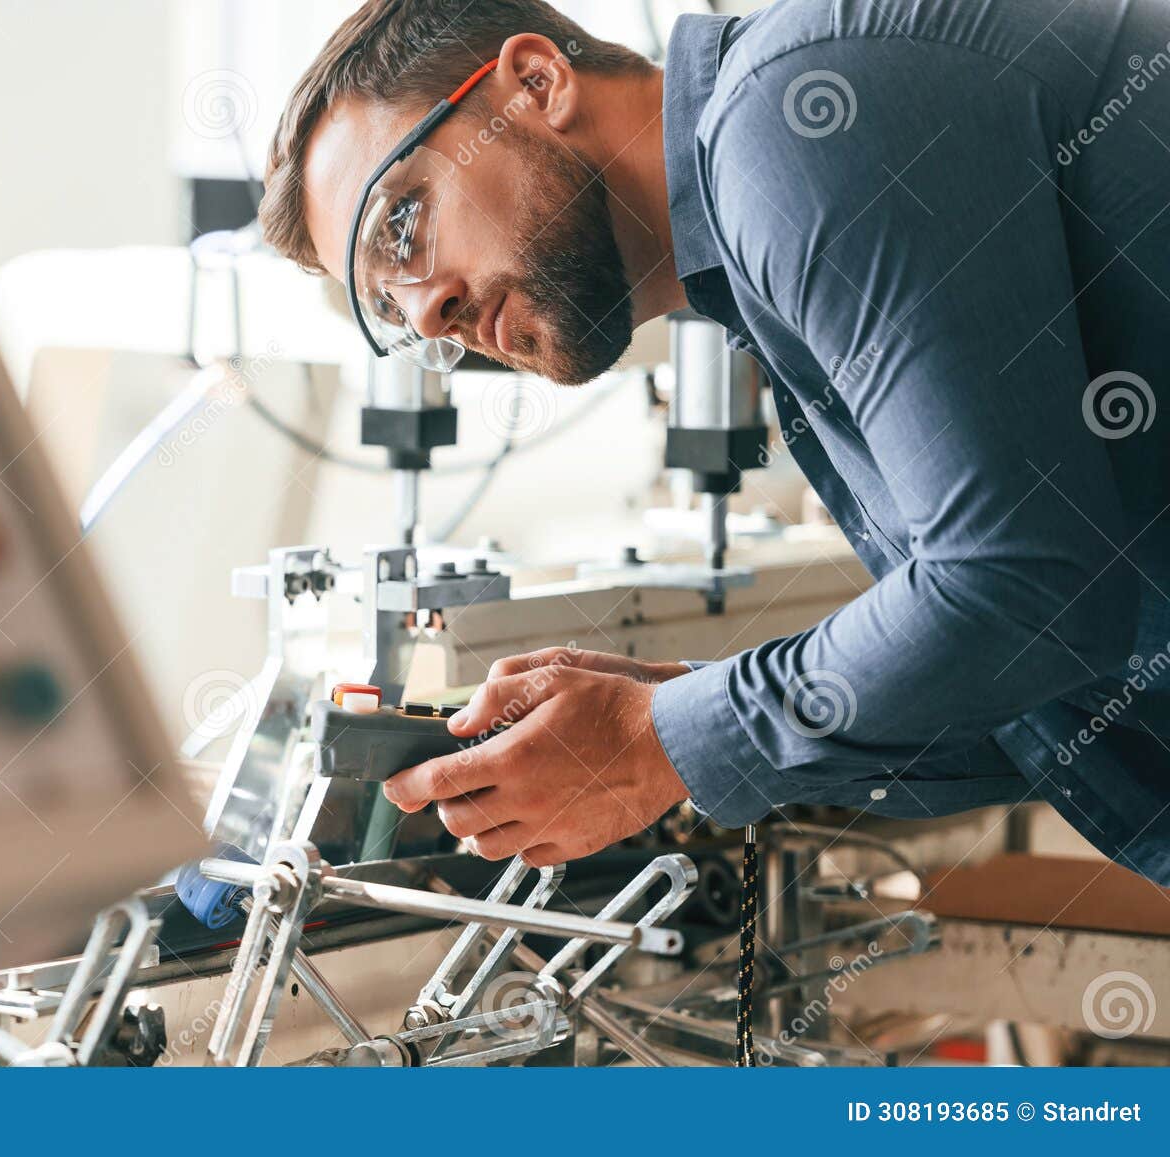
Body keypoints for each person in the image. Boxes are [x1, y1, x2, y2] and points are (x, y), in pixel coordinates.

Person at [256, 0, 1170, 881]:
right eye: (387, 306)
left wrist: (663, 736)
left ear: (534, 83)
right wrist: (666, 707)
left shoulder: (787, 118)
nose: (432, 311)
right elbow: (1039, 688)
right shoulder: (760, 272)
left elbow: (1027, 588)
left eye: (402, 224)